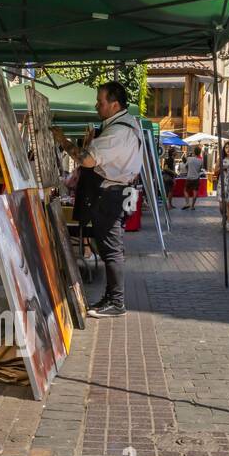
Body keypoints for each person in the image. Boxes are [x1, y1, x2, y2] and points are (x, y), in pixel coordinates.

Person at [56, 81, 145, 319]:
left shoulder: (118, 131)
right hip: (117, 191)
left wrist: (63, 141)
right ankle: (111, 297)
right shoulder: (126, 125)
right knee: (109, 247)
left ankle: (117, 302)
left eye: (101, 102)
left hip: (112, 194)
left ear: (114, 104)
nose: (97, 106)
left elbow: (87, 160)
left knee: (112, 249)